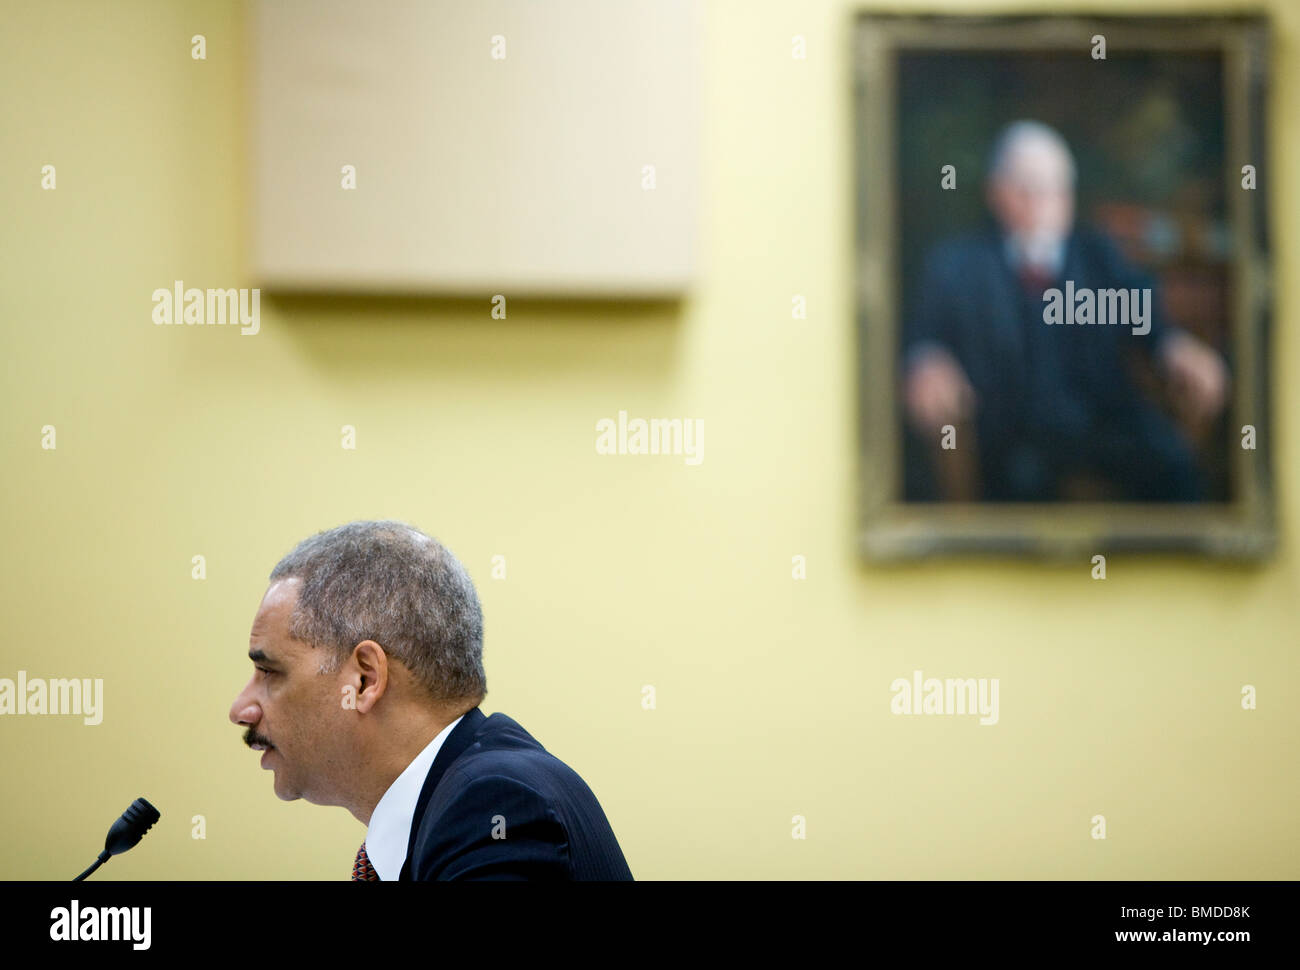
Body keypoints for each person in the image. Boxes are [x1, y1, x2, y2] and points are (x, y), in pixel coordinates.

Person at [229, 519, 633, 880]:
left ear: (366, 679)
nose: (240, 709)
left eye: (269, 672)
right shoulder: (468, 796)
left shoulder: (494, 808)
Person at [902, 120, 1229, 501]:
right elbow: (923, 335)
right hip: (1008, 438)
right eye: (1024, 187)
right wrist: (928, 362)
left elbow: (1148, 321)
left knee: (1174, 474)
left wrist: (1176, 347)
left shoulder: (1099, 257)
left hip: (1104, 426)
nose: (1039, 202)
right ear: (996, 193)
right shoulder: (958, 266)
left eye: (1053, 189)